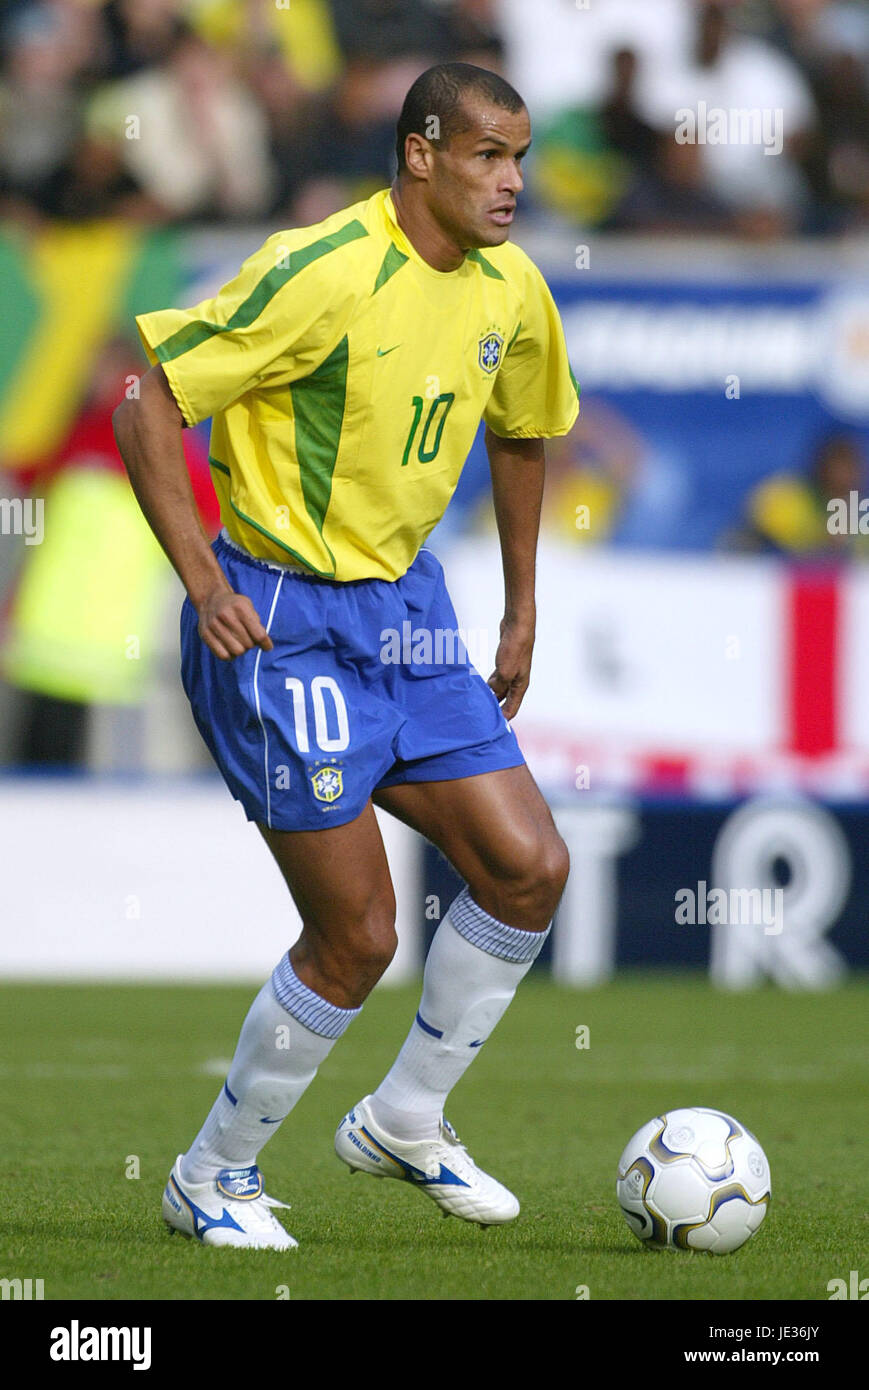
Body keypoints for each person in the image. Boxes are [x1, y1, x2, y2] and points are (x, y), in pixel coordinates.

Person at [113, 61, 579, 1250]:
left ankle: (404, 1115)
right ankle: (210, 1174)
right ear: (419, 153)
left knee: (527, 867)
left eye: (518, 157)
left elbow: (522, 433)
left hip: (410, 617)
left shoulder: (512, 289)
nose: (510, 182)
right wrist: (206, 579)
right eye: (486, 154)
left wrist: (520, 605)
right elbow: (145, 404)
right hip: (278, 618)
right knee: (358, 936)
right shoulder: (320, 269)